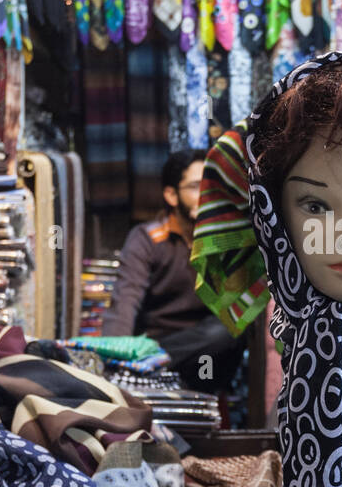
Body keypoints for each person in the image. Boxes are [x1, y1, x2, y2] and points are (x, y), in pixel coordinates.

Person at [102, 149, 245, 390]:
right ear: (171, 195)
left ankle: (147, 369)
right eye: (196, 186)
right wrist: (111, 356)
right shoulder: (148, 239)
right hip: (154, 344)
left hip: (207, 355)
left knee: (227, 330)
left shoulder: (227, 239)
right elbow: (125, 301)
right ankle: (137, 368)